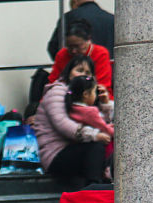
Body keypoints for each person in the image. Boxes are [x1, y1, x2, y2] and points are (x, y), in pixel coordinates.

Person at [32, 54, 111, 191]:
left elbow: (99, 122)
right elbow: (62, 124)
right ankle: (94, 188)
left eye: (88, 73)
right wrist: (94, 135)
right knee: (95, 147)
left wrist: (105, 104)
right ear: (69, 72)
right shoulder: (57, 92)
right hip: (55, 154)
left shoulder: (85, 94)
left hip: (77, 149)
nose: (83, 75)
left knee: (104, 145)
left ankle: (100, 184)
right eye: (79, 70)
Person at [47, 19, 111, 95]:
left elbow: (102, 84)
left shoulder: (100, 53)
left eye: (78, 46)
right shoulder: (62, 54)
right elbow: (52, 82)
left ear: (88, 40)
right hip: (64, 95)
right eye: (69, 47)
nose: (74, 51)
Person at [46, 0, 113, 62]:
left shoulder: (68, 17)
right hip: (112, 71)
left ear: (74, 2)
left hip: (78, 70)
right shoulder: (113, 19)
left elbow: (54, 49)